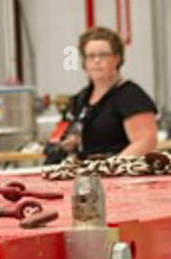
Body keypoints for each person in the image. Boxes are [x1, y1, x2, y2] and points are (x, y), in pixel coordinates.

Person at [49, 26, 159, 161]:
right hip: (87, 172)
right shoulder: (81, 98)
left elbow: (146, 142)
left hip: (121, 174)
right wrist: (72, 142)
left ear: (117, 59)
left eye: (103, 55)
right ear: (84, 62)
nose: (97, 61)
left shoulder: (131, 96)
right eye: (91, 56)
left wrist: (112, 168)